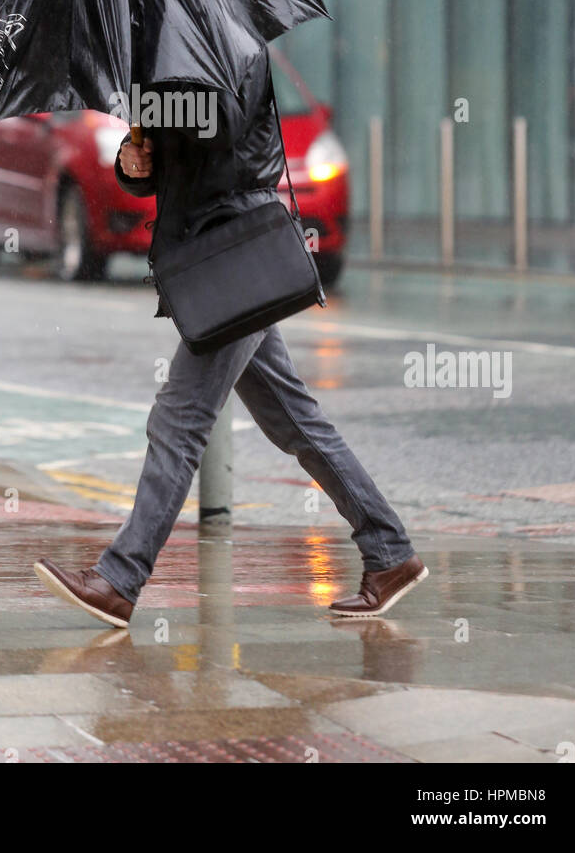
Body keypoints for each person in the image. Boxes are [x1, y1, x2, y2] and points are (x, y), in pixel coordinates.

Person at [35, 48, 426, 626]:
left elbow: (225, 147)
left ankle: (120, 578)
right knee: (293, 421)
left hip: (233, 252)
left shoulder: (230, 47)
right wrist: (133, 159)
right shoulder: (176, 51)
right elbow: (172, 163)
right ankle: (390, 553)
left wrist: (158, 118)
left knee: (179, 419)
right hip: (216, 249)